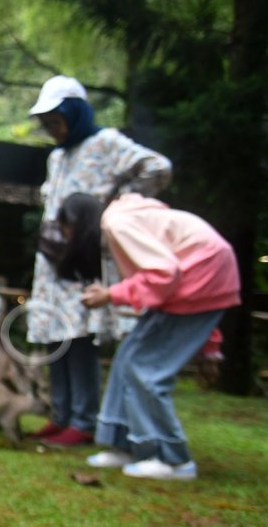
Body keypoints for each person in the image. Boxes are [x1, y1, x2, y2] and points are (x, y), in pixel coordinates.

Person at [25, 75, 173, 447]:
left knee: (78, 335)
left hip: (85, 258)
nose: (51, 129)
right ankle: (60, 415)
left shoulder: (105, 143)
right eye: (45, 123)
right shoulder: (56, 157)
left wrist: (113, 207)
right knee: (53, 335)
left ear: (74, 113)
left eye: (55, 121)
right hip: (53, 258)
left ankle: (83, 419)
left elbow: (157, 168)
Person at [72, 192, 240, 480]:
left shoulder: (116, 222)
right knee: (128, 358)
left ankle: (173, 460)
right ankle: (123, 443)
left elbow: (164, 273)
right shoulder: (126, 216)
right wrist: (210, 347)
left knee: (145, 369)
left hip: (199, 279)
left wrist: (111, 295)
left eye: (64, 227)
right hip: (201, 280)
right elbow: (184, 283)